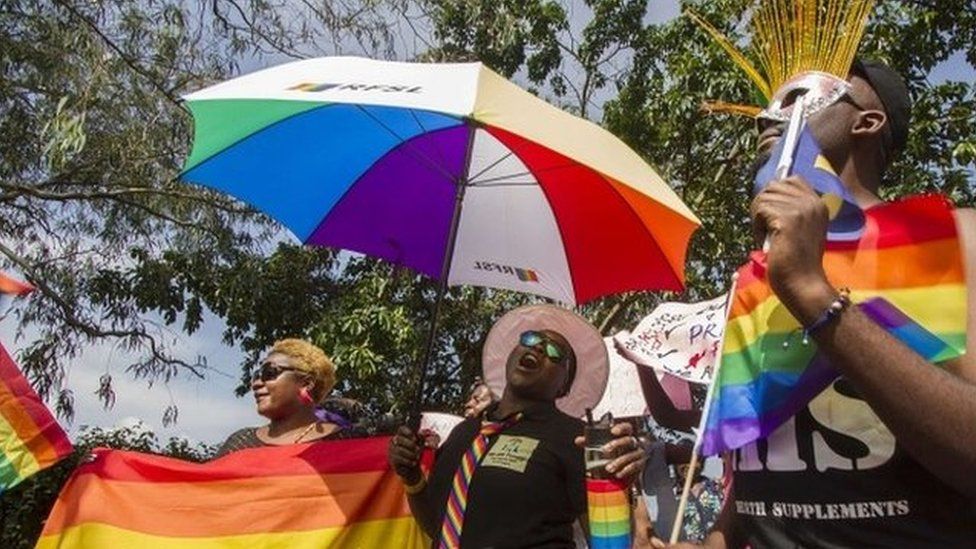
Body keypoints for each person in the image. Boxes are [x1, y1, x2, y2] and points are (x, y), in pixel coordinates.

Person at [666, 57, 976, 549]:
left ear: (867, 120)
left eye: (797, 99)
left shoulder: (953, 236)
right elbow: (760, 473)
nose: (769, 116)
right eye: (769, 106)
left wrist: (814, 293)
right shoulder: (755, 272)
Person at [388, 304, 646, 548]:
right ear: (512, 354)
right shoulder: (464, 432)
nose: (539, 350)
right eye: (531, 340)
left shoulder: (576, 437)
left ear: (563, 387)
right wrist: (411, 477)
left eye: (555, 353)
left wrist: (613, 484)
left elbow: (611, 543)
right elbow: (435, 525)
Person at [214, 338, 356, 457]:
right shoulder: (240, 444)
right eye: (256, 376)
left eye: (269, 372)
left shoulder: (346, 443)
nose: (256, 383)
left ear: (307, 383)